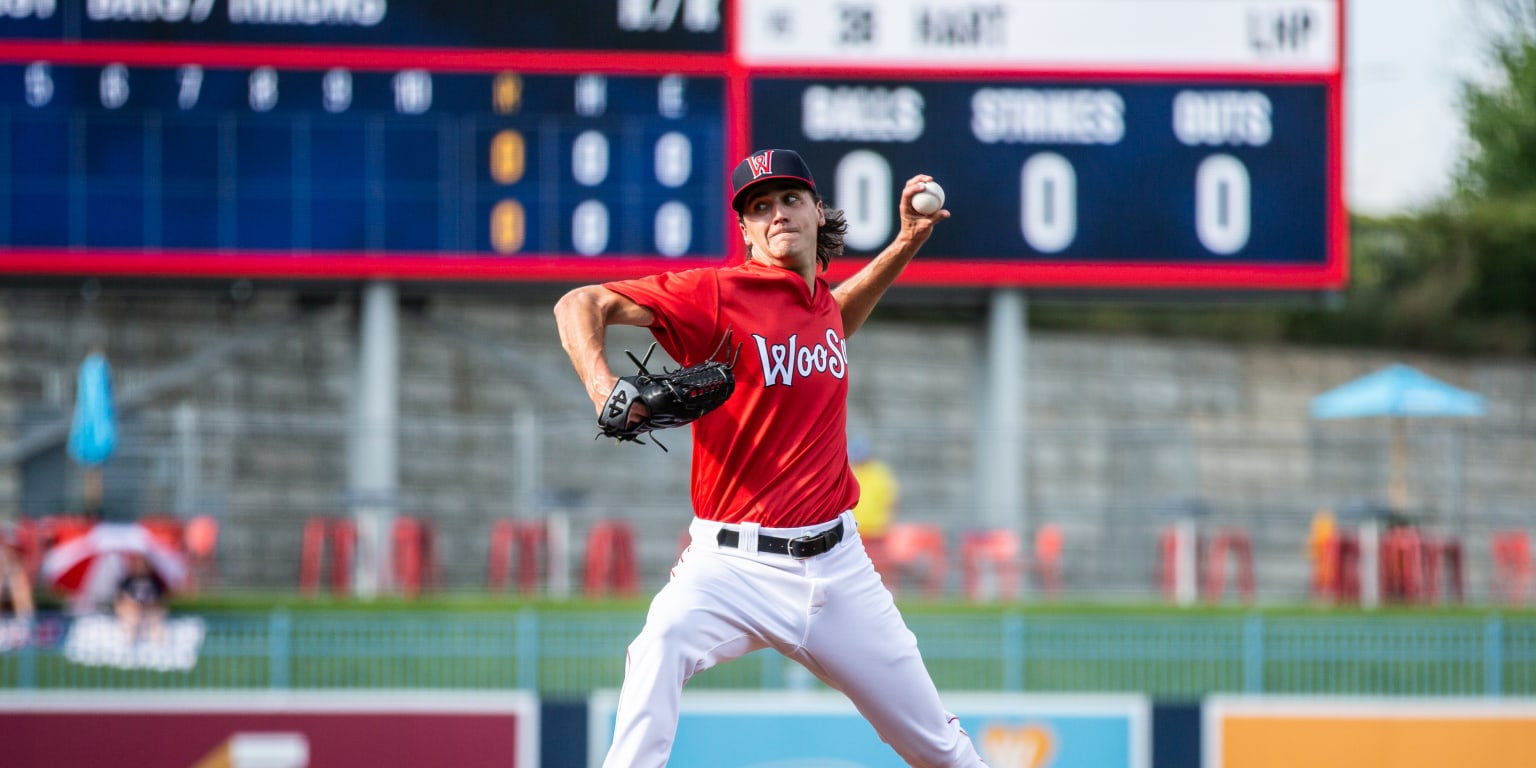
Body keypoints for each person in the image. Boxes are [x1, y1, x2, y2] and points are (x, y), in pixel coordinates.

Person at [554, 148, 984, 767]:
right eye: (759, 207)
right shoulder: (717, 295)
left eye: (788, 199)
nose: (776, 213)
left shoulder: (818, 303)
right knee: (660, 644)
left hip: (840, 571)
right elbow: (579, 304)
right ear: (746, 230)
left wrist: (906, 243)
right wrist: (603, 389)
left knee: (941, 750)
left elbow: (835, 320)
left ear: (816, 211)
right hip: (730, 567)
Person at [848, 436, 900, 574]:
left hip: (876, 529)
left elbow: (891, 500)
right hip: (855, 530)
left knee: (879, 564)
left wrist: (888, 521)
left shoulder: (879, 473)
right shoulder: (850, 471)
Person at [114, 553, 168, 642]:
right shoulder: (127, 581)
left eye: (143, 564)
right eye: (138, 564)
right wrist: (133, 606)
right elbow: (120, 600)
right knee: (131, 623)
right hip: (132, 614)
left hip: (150, 613)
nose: (141, 567)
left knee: (158, 627)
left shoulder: (155, 582)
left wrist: (147, 607)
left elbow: (161, 602)